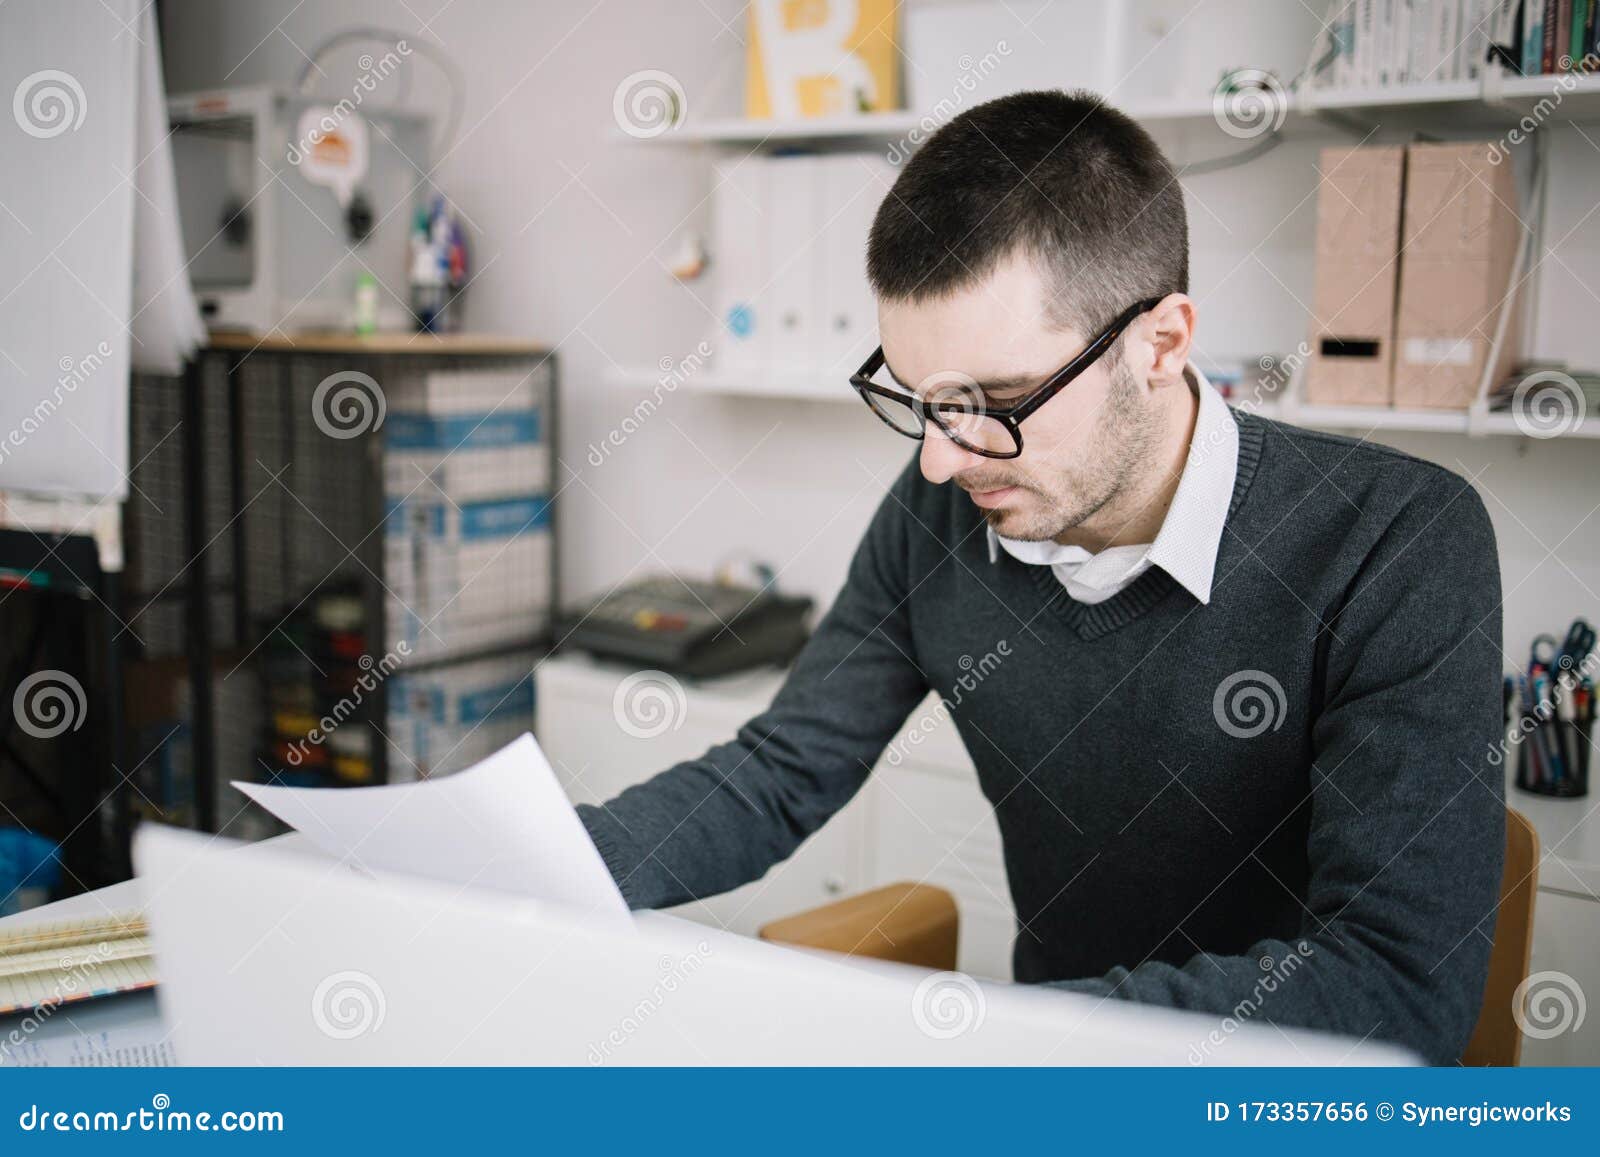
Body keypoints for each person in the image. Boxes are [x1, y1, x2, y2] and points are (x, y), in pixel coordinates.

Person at [577, 89, 1504, 1065]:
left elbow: (1397, 989)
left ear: (1161, 342)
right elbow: (780, 770)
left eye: (1000, 399)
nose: (941, 459)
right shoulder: (943, 504)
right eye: (922, 398)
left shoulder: (1395, 539)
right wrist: (535, 862)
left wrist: (1011, 1042)